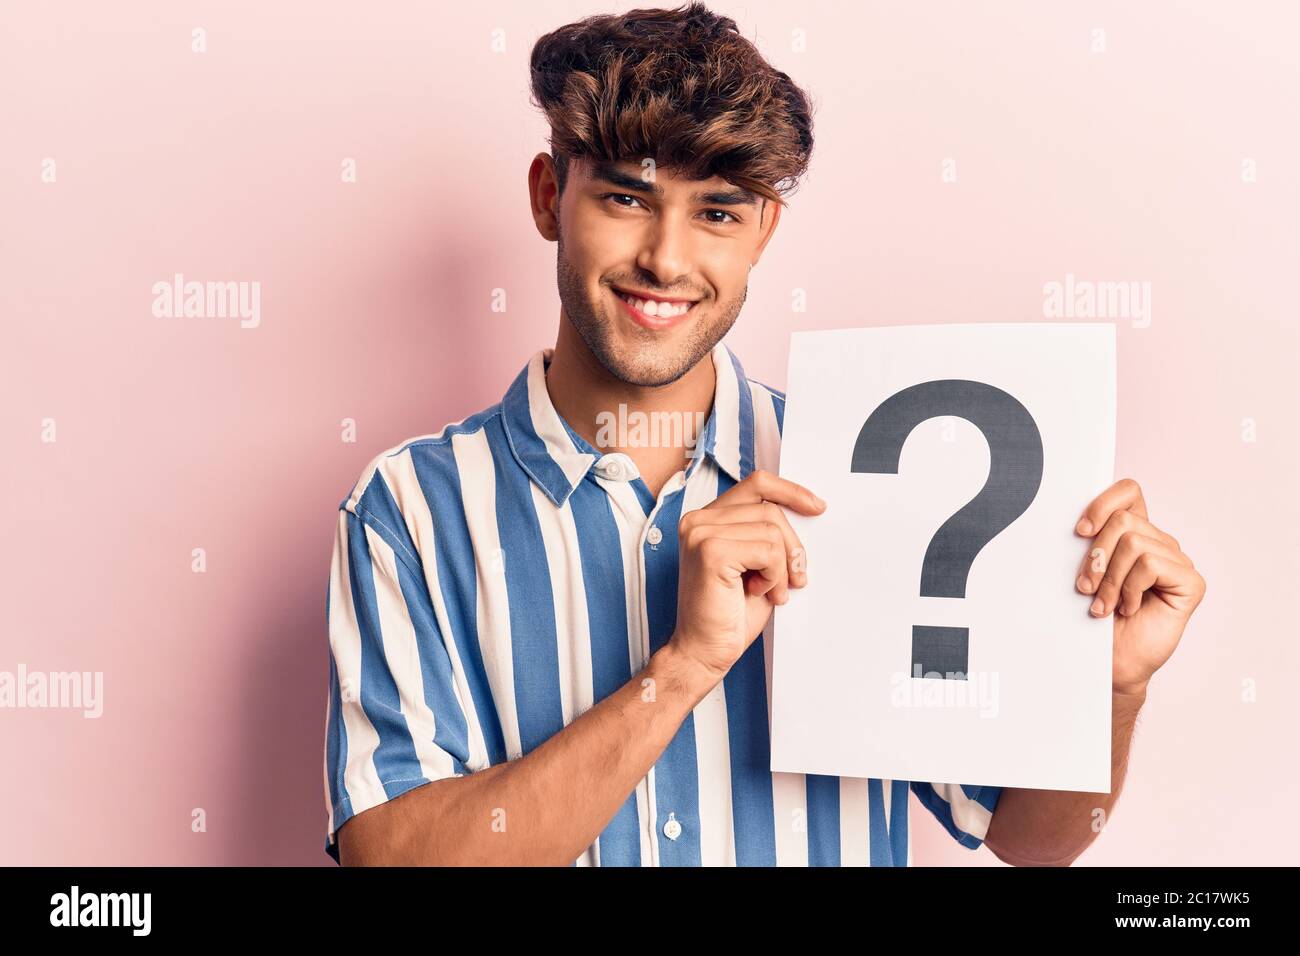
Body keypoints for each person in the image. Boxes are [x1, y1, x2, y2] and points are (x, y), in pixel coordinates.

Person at [322, 2, 1205, 866]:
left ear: (762, 232)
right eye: (628, 197)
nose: (666, 259)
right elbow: (397, 859)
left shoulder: (879, 473)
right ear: (551, 196)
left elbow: (1028, 839)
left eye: (717, 212)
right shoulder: (409, 509)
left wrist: (1114, 685)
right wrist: (682, 669)